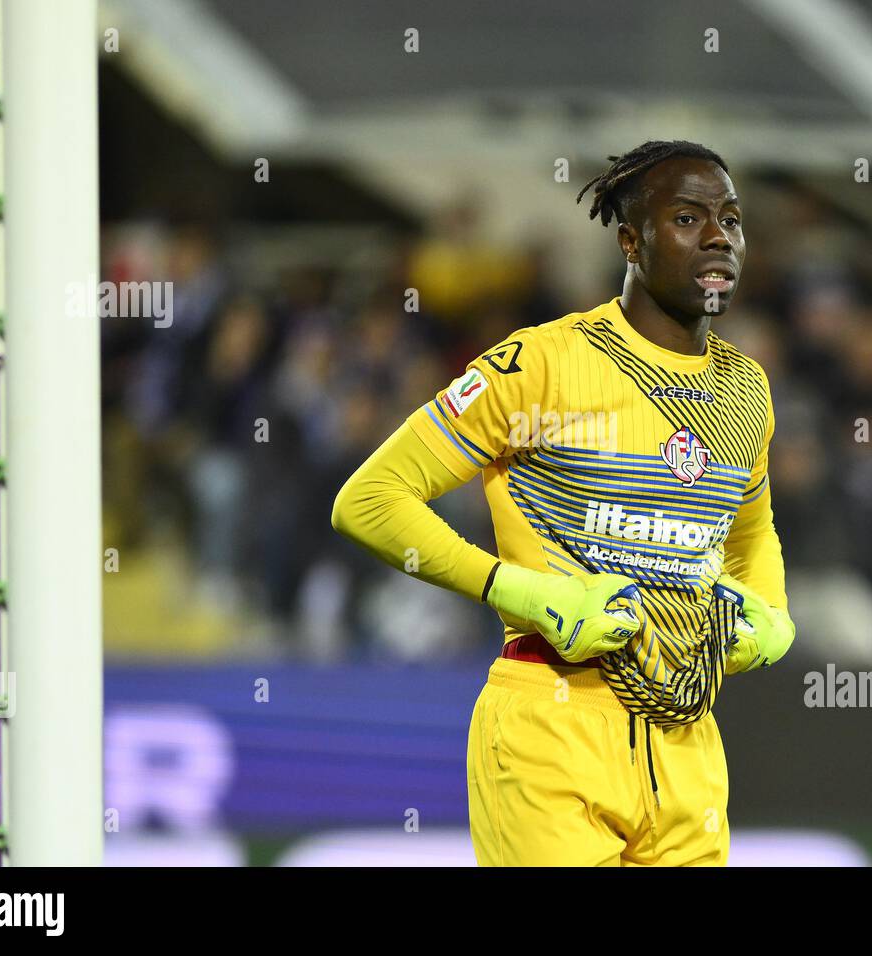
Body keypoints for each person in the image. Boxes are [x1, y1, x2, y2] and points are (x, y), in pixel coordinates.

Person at [332, 140, 795, 866]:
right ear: (631, 241)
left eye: (731, 220)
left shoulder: (747, 390)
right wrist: (522, 592)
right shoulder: (542, 364)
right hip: (551, 719)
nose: (718, 237)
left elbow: (753, 529)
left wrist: (772, 615)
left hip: (688, 739)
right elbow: (370, 499)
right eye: (687, 217)